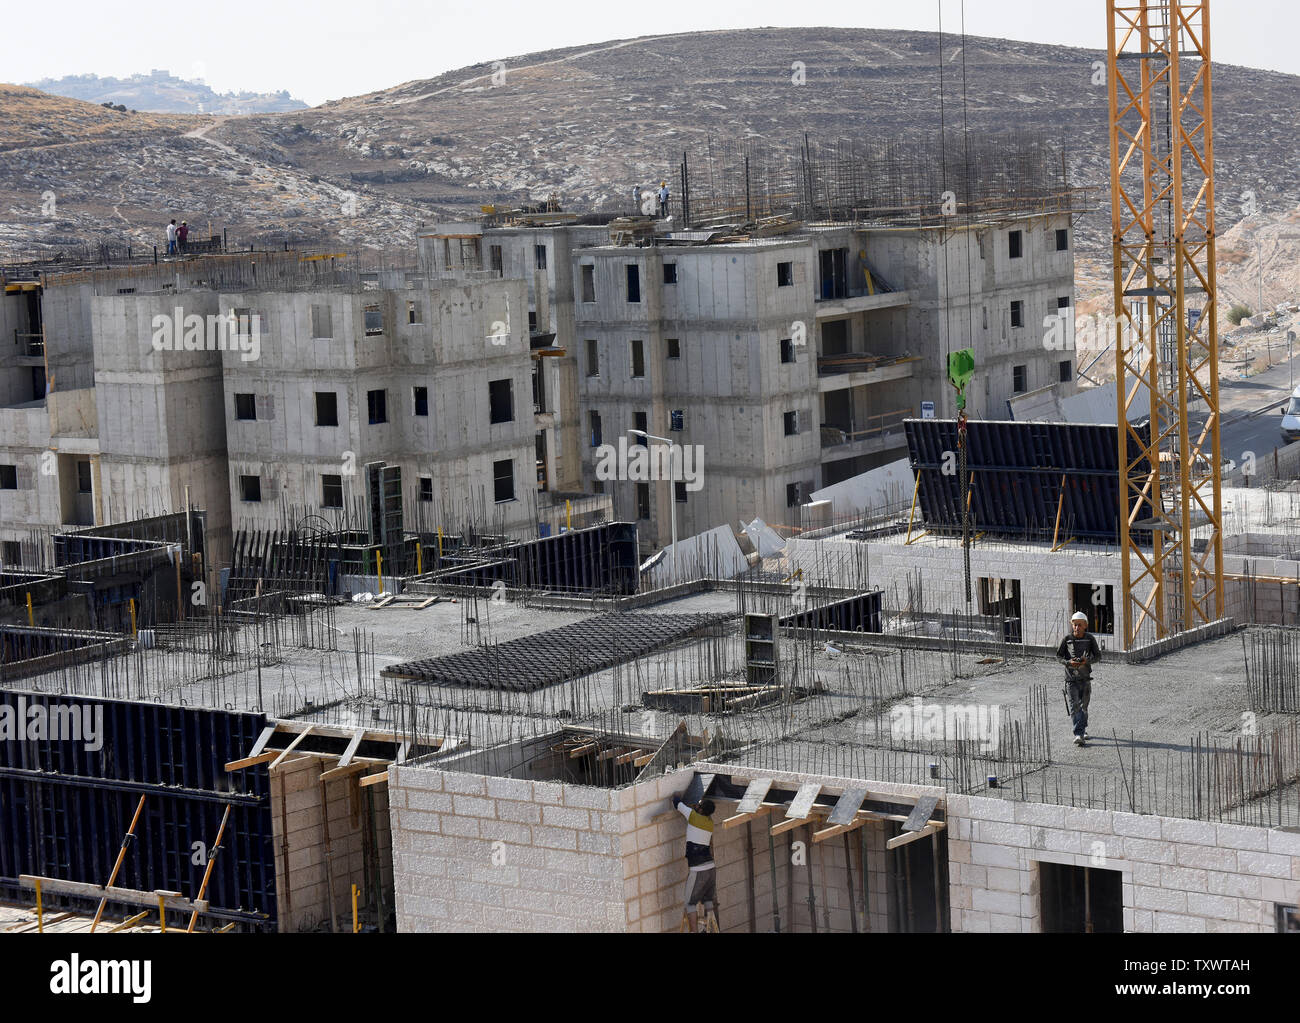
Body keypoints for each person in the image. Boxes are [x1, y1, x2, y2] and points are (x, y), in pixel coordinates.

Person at [671, 792, 716, 930]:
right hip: (711, 869)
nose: (697, 806)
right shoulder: (710, 823)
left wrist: (677, 795)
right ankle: (710, 927)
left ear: (701, 810)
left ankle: (695, 931)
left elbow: (676, 802)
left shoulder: (692, 816)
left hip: (698, 870)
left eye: (699, 806)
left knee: (690, 904)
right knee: (708, 900)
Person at [1057, 610, 1101, 747]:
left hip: (1085, 679)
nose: (1077, 627)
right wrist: (1069, 663)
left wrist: (1086, 662)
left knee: (1084, 707)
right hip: (1071, 680)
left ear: (1085, 625)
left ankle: (1083, 728)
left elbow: (1098, 656)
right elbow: (1058, 656)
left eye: (1080, 625)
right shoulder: (1067, 639)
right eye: (1075, 625)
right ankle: (1078, 734)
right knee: (1075, 706)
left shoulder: (1090, 639)